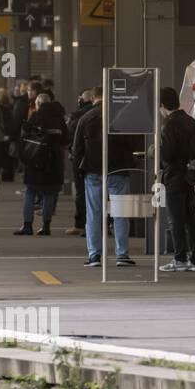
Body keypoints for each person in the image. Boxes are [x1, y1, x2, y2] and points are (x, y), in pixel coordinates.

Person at [72, 86, 137, 267]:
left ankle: (94, 255)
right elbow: (132, 143)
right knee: (120, 213)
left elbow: (77, 149)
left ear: (93, 98)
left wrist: (79, 173)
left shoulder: (85, 118)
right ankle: (121, 254)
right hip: (118, 171)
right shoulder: (121, 117)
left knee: (94, 213)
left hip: (93, 171)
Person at [158, 86, 195, 273]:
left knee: (175, 219)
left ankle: (179, 258)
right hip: (192, 177)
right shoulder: (192, 122)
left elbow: (168, 154)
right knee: (190, 218)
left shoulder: (168, 125)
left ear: (162, 105)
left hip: (175, 178)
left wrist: (156, 152)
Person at [14, 93, 67, 235]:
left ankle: (27, 225)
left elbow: (24, 139)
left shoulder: (35, 117)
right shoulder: (59, 119)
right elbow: (65, 140)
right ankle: (46, 226)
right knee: (49, 194)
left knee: (30, 192)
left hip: (34, 161)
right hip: (53, 161)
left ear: (38, 104)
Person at [64, 89, 94, 236]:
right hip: (100, 160)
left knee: (82, 192)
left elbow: (69, 135)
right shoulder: (107, 113)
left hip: (81, 159)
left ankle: (81, 224)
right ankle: (102, 224)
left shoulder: (79, 117)